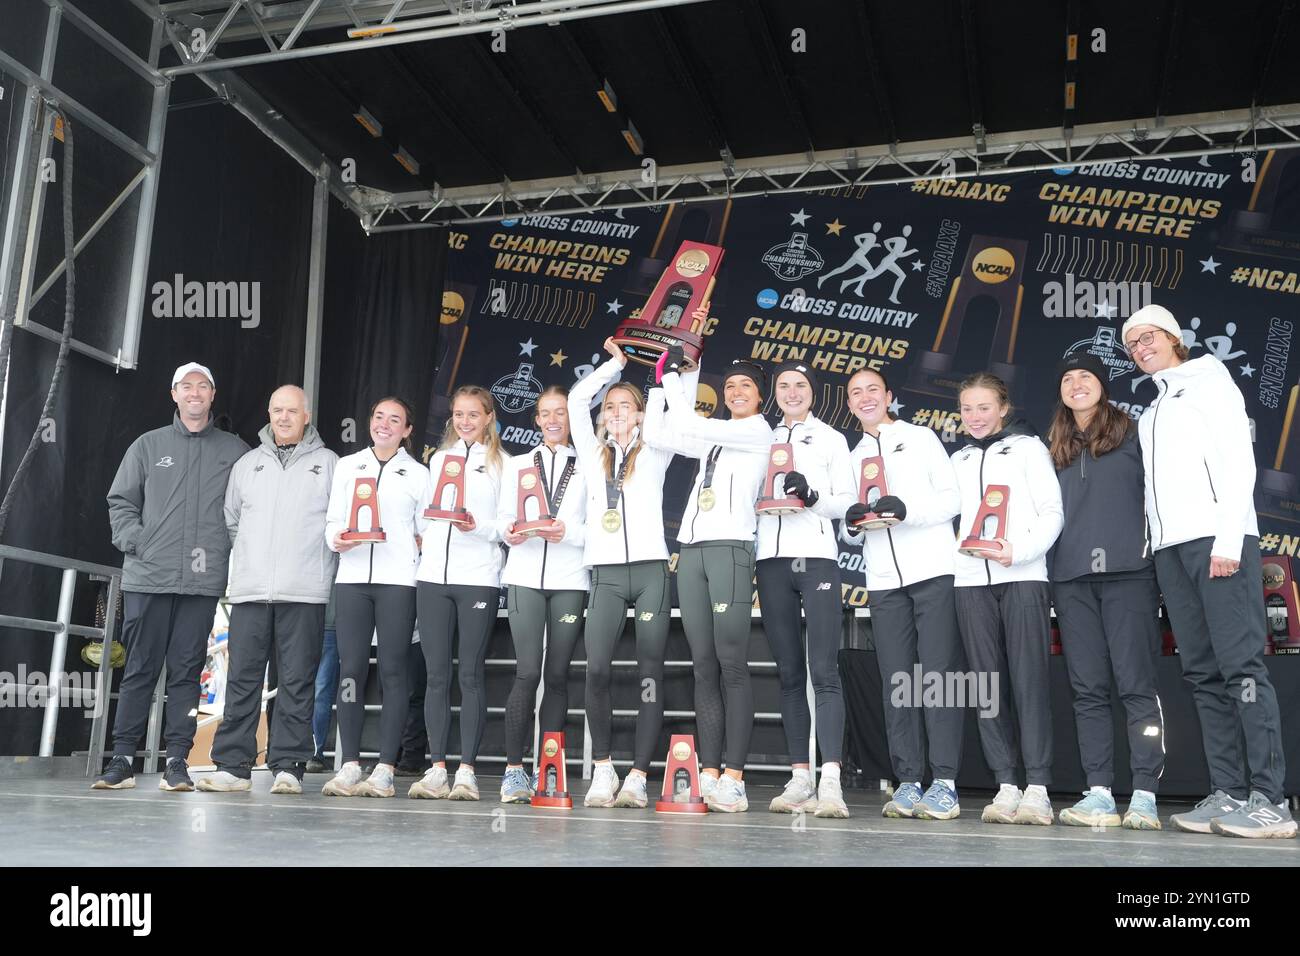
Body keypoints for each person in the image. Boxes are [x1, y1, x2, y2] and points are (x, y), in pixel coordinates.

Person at [1125, 303, 1294, 838]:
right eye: (1131, 343)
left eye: (1149, 336)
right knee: (1202, 672)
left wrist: (1227, 540)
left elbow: (1238, 462)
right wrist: (1155, 547)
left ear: (1175, 338)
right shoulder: (1152, 409)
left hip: (1219, 543)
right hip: (1172, 551)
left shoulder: (1209, 381)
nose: (1140, 348)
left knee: (1242, 668)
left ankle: (1270, 800)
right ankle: (1229, 791)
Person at [97, 363, 249, 791]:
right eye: (187, 387)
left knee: (186, 673)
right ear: (174, 394)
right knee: (140, 669)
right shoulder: (148, 445)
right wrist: (137, 542)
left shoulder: (234, 451)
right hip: (147, 578)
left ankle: (177, 760)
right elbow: (120, 501)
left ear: (212, 395)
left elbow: (244, 511)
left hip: (201, 583)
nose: (195, 393)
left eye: (203, 386)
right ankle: (123, 759)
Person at [646, 342, 772, 813]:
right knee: (703, 666)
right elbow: (659, 433)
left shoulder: (757, 431)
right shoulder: (714, 436)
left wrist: (677, 377)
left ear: (760, 397)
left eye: (747, 386)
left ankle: (735, 778)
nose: (737, 391)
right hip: (692, 553)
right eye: (731, 385)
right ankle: (711, 772)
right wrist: (670, 381)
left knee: (733, 665)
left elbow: (689, 422)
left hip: (731, 551)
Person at [196, 385, 338, 795]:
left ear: (306, 416)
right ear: (269, 413)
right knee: (242, 678)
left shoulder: (329, 464)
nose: (283, 417)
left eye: (292, 411)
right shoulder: (247, 464)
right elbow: (232, 521)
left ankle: (288, 765)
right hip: (251, 590)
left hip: (305, 591)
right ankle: (233, 766)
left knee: (297, 680)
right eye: (277, 410)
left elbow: (335, 526)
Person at [840, 368, 966, 821]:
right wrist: (852, 523)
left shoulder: (921, 438)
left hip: (933, 571)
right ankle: (909, 779)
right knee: (898, 682)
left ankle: (946, 783)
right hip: (883, 581)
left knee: (937, 679)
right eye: (856, 393)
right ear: (850, 403)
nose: (865, 397)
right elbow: (850, 532)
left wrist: (908, 512)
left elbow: (953, 499)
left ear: (890, 396)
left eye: (873, 389)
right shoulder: (851, 456)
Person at [1046, 352, 1165, 830]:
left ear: (1103, 384)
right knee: (1087, 690)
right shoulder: (1050, 444)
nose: (1076, 384)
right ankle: (1098, 791)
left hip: (1129, 575)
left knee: (1137, 687)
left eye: (1086, 376)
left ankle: (1144, 794)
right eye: (1068, 377)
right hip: (1071, 579)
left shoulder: (1136, 433)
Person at [950, 372, 1063, 825]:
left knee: (1028, 681)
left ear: (1002, 408)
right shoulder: (955, 459)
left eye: (983, 407)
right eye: (966, 409)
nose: (975, 417)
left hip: (1023, 576)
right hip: (970, 581)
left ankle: (1037, 787)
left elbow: (1052, 511)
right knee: (987, 686)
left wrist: (1021, 552)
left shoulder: (1029, 448)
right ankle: (1005, 784)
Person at [569, 338, 676, 809]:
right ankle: (604, 767)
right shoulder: (592, 454)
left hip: (651, 570)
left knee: (650, 671)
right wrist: (613, 366)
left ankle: (637, 774)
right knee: (597, 670)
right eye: (610, 405)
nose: (616, 411)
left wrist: (662, 369)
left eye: (626, 406)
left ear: (640, 413)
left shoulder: (657, 450)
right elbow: (576, 399)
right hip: (607, 575)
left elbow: (674, 404)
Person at [757, 361, 857, 818]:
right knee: (790, 673)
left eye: (800, 385)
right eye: (784, 385)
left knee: (824, 669)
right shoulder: (761, 435)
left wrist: (812, 495)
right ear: (773, 392)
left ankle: (831, 779)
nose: (792, 392)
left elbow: (850, 503)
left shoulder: (832, 439)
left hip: (817, 558)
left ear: (814, 392)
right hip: (770, 562)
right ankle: (800, 776)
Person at [321, 397, 428, 798]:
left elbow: (426, 530)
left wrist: (420, 544)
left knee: (393, 670)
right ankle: (349, 763)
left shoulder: (419, 474)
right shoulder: (348, 466)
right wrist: (338, 539)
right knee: (350, 670)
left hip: (399, 581)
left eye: (395, 419)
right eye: (379, 417)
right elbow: (332, 521)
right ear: (370, 423)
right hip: (351, 581)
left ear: (407, 430)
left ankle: (385, 767)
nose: (385, 424)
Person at [408, 386, 504, 801]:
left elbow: (509, 526)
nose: (465, 422)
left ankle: (466, 769)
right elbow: (424, 516)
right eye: (458, 415)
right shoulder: (439, 460)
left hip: (477, 576)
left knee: (469, 673)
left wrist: (476, 526)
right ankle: (436, 768)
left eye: (473, 415)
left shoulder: (504, 464)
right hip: (432, 578)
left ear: (488, 418)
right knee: (435, 676)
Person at [496, 386, 588, 804]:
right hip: (524, 576)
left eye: (561, 413)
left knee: (556, 675)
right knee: (527, 672)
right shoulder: (516, 465)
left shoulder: (589, 464)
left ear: (572, 420)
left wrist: (568, 533)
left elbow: (598, 528)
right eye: (546, 413)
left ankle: (549, 769)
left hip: (570, 579)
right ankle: (514, 771)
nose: (553, 420)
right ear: (536, 420)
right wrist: (508, 532)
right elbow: (501, 518)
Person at [306, 587, 338, 774]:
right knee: (308, 689)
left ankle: (316, 752)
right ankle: (304, 751)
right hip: (306, 622)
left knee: (320, 692)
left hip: (330, 625)